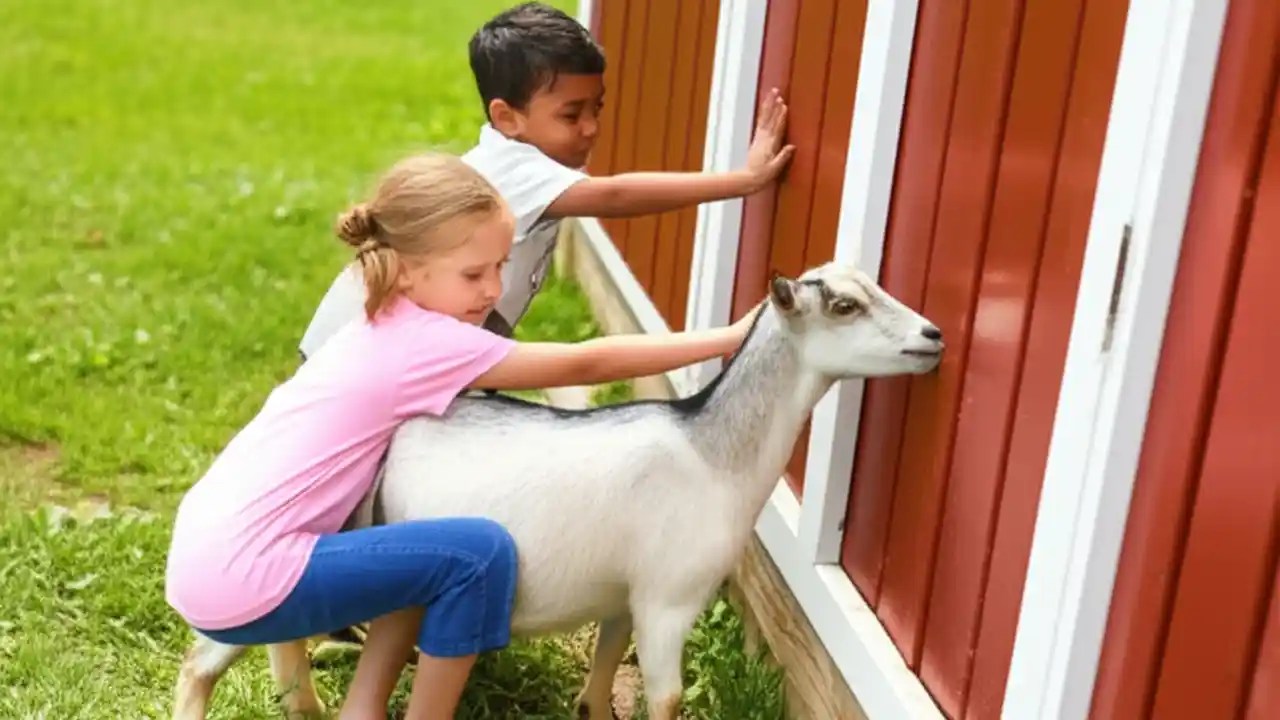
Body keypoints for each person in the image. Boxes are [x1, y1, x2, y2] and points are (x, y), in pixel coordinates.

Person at [164, 153, 760, 720]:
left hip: (204, 553)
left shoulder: (377, 316)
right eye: (474, 273)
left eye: (502, 266)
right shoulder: (428, 343)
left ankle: (364, 708)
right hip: (250, 579)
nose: (495, 290)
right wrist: (728, 339)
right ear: (406, 270)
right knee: (479, 555)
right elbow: (583, 363)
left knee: (416, 545)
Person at [296, 1, 793, 359]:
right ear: (507, 117)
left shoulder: (515, 158)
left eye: (597, 108)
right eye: (571, 114)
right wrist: (742, 181)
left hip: (375, 345)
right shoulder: (514, 171)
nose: (592, 128)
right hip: (357, 351)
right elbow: (616, 194)